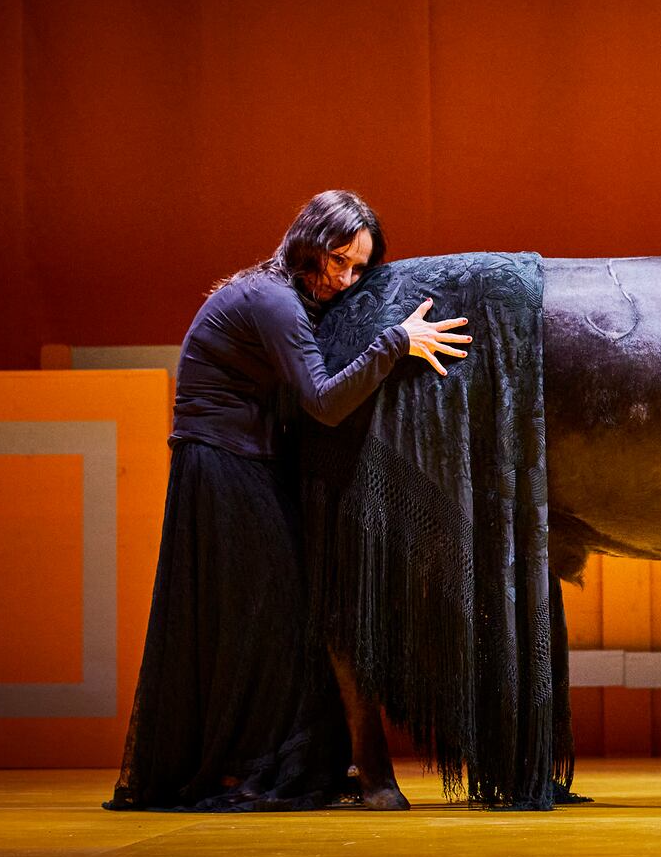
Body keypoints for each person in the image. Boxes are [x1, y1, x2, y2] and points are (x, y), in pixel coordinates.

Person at [106, 190, 468, 812]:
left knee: (275, 619)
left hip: (233, 459)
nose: (345, 279)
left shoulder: (279, 292)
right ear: (309, 243)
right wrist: (395, 343)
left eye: (358, 267)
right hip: (224, 463)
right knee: (280, 616)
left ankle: (268, 763)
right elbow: (323, 401)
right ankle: (255, 768)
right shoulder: (275, 302)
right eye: (338, 261)